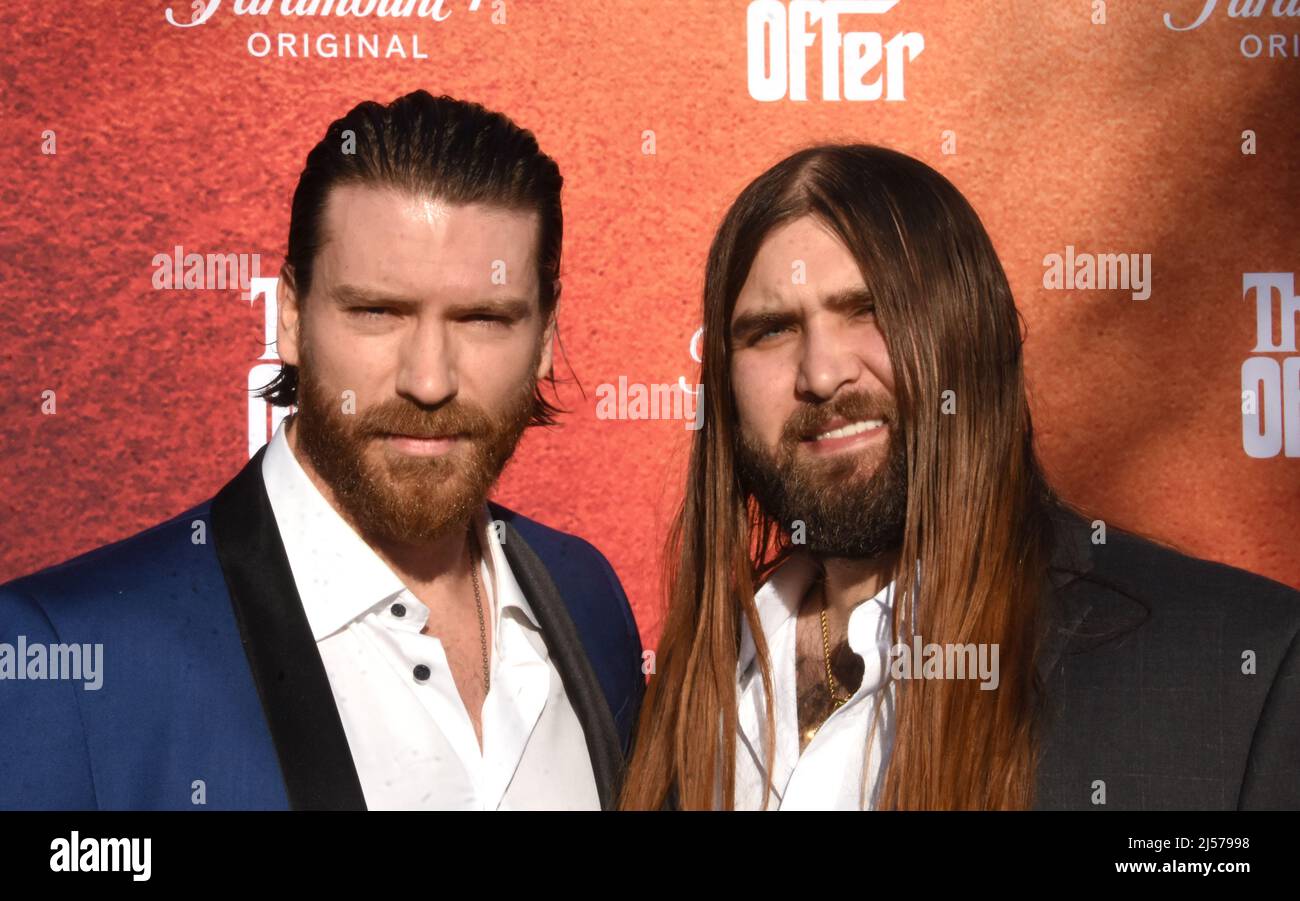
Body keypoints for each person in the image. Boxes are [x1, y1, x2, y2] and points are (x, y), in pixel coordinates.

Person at [0, 90, 644, 811]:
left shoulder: (588, 600)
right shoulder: (70, 662)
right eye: (376, 311)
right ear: (289, 315)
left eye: (483, 318)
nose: (428, 380)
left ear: (546, 338)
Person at [620, 143, 1300, 811]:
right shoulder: (673, 700)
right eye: (771, 330)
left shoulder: (1234, 675)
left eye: (871, 309)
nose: (822, 373)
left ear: (971, 334)